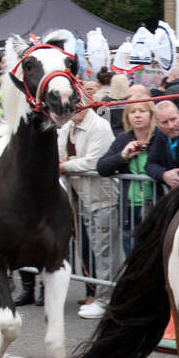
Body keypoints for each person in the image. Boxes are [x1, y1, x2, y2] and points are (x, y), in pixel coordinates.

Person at [59, 107, 119, 318]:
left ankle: (106, 300)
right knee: (95, 248)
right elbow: (58, 154)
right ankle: (100, 297)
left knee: (105, 250)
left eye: (77, 103)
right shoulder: (67, 126)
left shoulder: (98, 126)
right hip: (81, 195)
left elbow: (93, 162)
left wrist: (64, 165)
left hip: (101, 196)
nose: (73, 109)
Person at [98, 95, 158, 255]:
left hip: (156, 206)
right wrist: (123, 156)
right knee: (132, 257)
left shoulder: (159, 137)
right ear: (127, 117)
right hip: (130, 209)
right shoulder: (123, 139)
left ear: (151, 114)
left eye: (142, 111)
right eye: (133, 112)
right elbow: (102, 167)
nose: (137, 115)